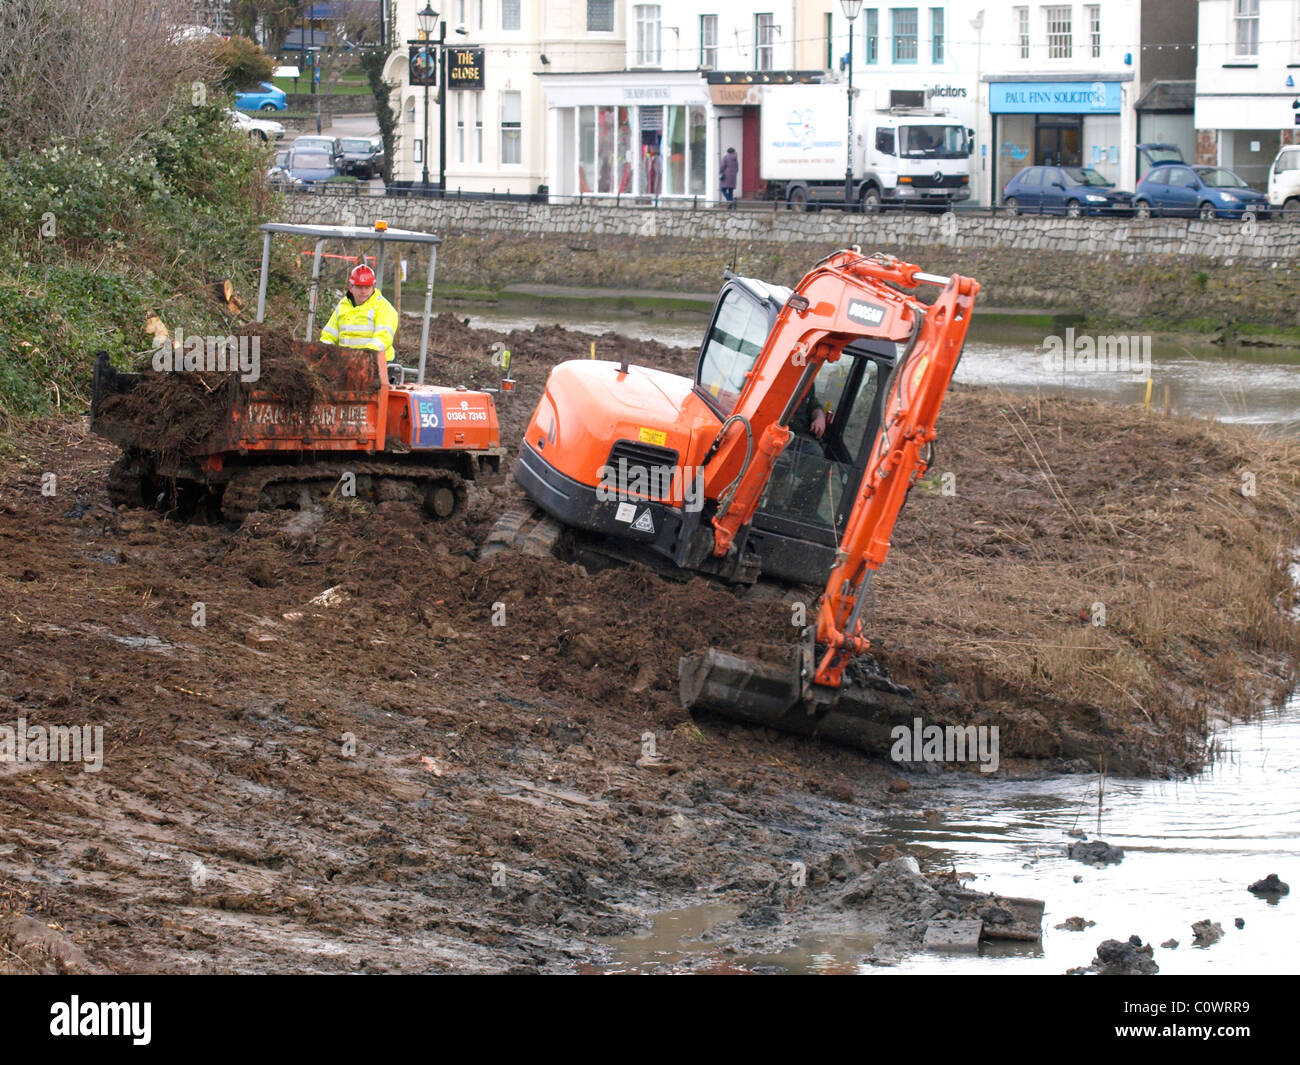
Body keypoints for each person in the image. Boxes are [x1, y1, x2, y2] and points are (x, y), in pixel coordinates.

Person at [320, 263, 399, 363]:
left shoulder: (384, 308)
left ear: (373, 287)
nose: (363, 291)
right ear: (351, 287)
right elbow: (330, 334)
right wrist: (323, 350)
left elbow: (383, 338)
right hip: (347, 361)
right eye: (359, 287)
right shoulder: (343, 305)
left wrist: (363, 355)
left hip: (377, 362)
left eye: (367, 287)